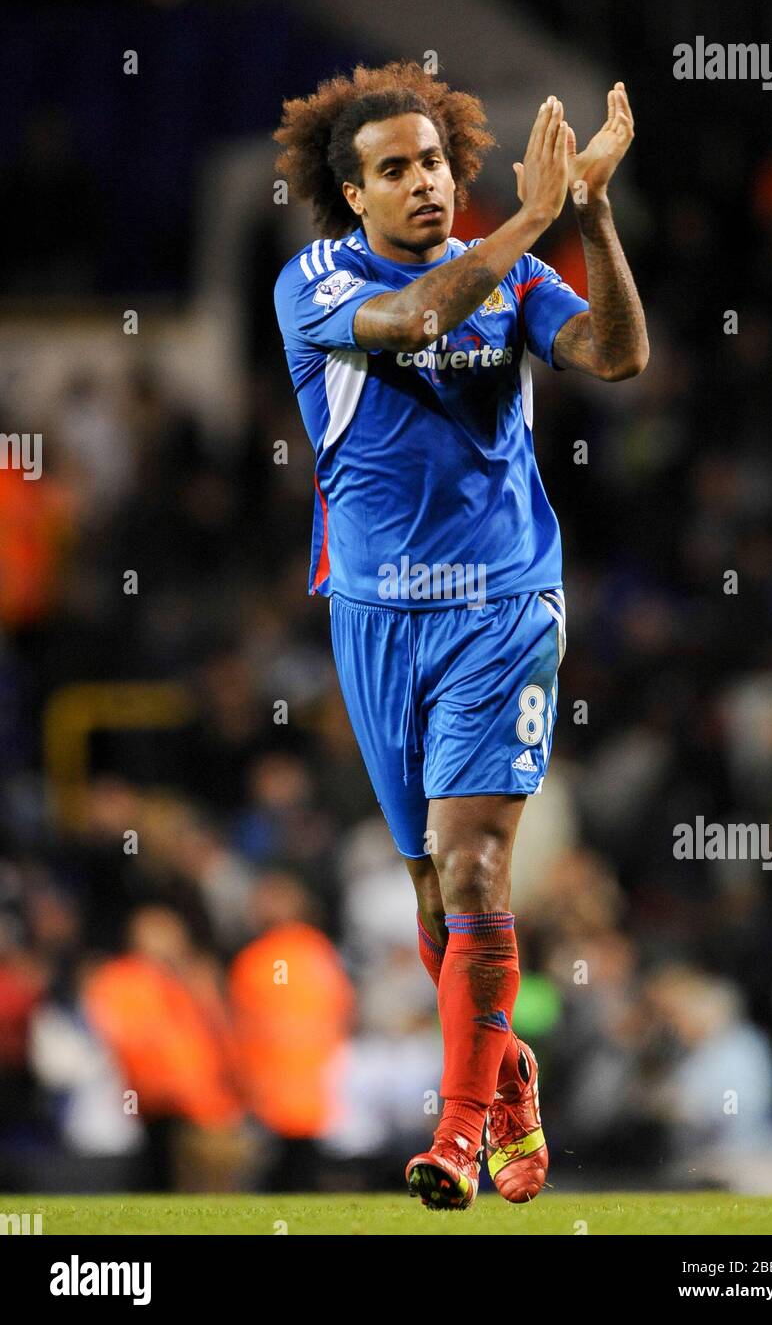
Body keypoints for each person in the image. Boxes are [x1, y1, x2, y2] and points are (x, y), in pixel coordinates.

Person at [272, 60, 648, 1209]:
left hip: (501, 604)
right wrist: (530, 215)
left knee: (475, 860)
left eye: (433, 160)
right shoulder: (314, 286)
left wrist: (587, 216)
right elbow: (413, 319)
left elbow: (616, 355)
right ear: (354, 198)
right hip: (375, 614)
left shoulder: (515, 275)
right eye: (395, 171)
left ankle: (456, 1134)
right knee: (433, 899)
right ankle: (510, 1076)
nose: (425, 184)